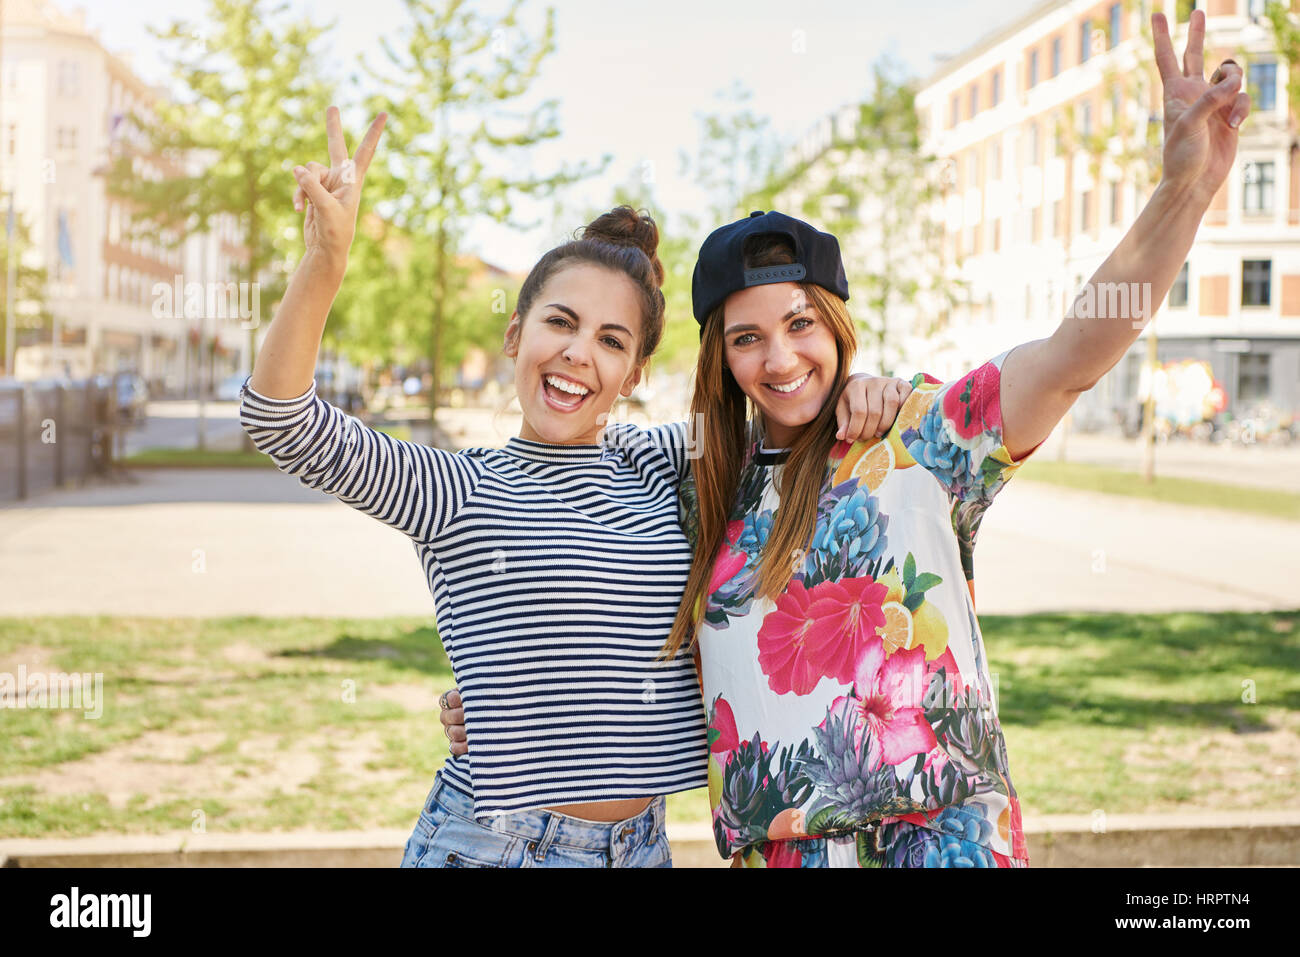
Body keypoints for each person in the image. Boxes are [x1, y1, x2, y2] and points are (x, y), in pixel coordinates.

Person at [239, 107, 910, 868]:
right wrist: (324, 265)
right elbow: (281, 420)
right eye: (561, 322)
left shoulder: (670, 465)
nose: (578, 354)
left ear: (632, 375)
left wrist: (869, 388)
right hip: (494, 847)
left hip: (642, 847)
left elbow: (787, 404)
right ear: (516, 334)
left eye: (611, 341)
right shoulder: (456, 487)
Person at [658, 9, 1250, 868]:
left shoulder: (919, 433)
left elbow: (1072, 357)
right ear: (719, 355)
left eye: (798, 323)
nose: (780, 358)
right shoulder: (702, 485)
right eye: (747, 337)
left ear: (835, 325)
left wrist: (1182, 190)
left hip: (942, 845)